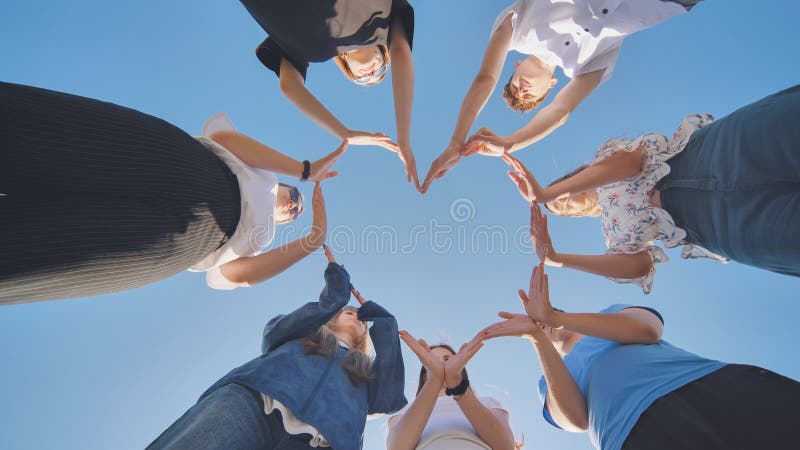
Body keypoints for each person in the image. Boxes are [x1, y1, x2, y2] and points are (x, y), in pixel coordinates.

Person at [0, 82, 343, 304]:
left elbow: (237, 275)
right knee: (40, 135)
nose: (293, 204)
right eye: (294, 196)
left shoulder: (260, 238)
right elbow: (224, 140)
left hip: (182, 243)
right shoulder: (262, 174)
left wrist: (312, 241)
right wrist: (305, 170)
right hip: (181, 163)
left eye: (295, 212)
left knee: (40, 251)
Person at [502, 84, 800, 293]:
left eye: (562, 194)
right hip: (720, 225)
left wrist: (547, 194)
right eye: (561, 208)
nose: (565, 201)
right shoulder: (613, 233)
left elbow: (632, 163)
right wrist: (556, 259)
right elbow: (638, 267)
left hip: (714, 153)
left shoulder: (605, 159)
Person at [483, 262, 800, 450]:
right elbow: (576, 419)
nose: (543, 325)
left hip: (703, 388)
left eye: (545, 320)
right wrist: (538, 338)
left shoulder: (607, 315)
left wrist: (557, 318)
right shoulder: (550, 376)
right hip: (635, 436)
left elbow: (648, 330)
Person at [421, 0, 701, 192]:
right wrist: (509, 143)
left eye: (514, 84)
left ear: (516, 65)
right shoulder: (584, 67)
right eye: (530, 98)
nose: (521, 90)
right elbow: (560, 112)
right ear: (552, 85)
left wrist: (456, 141)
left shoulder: (518, 29)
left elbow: (486, 77)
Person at [148, 246, 407, 450]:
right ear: (333, 317)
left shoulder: (365, 374)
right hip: (251, 405)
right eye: (349, 311)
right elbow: (274, 331)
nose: (356, 315)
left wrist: (382, 319)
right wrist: (337, 294)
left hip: (326, 442)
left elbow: (390, 397)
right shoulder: (305, 333)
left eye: (361, 318)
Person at [240, 0, 419, 187]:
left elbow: (290, 87)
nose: (372, 74)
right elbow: (400, 51)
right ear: (383, 50)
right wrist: (404, 139)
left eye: (363, 79)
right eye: (382, 70)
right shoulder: (384, 17)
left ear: (348, 69)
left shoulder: (306, 51)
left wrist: (345, 133)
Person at [387, 331, 516, 450]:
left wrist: (456, 383)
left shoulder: (488, 403)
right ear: (425, 375)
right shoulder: (404, 411)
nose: (441, 364)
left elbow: (506, 446)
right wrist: (434, 380)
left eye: (447, 359)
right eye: (432, 359)